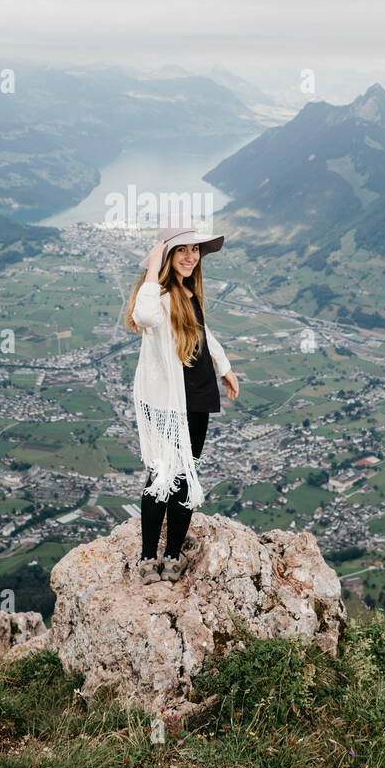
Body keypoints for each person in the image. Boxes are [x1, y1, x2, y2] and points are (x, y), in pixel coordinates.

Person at [124, 224, 239, 583]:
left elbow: (204, 335)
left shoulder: (188, 293)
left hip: (198, 395)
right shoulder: (157, 296)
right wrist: (152, 265)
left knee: (186, 474)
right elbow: (142, 317)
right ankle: (147, 558)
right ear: (168, 256)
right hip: (167, 400)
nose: (190, 257)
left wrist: (225, 368)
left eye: (194, 250)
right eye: (181, 250)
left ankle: (172, 556)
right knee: (161, 473)